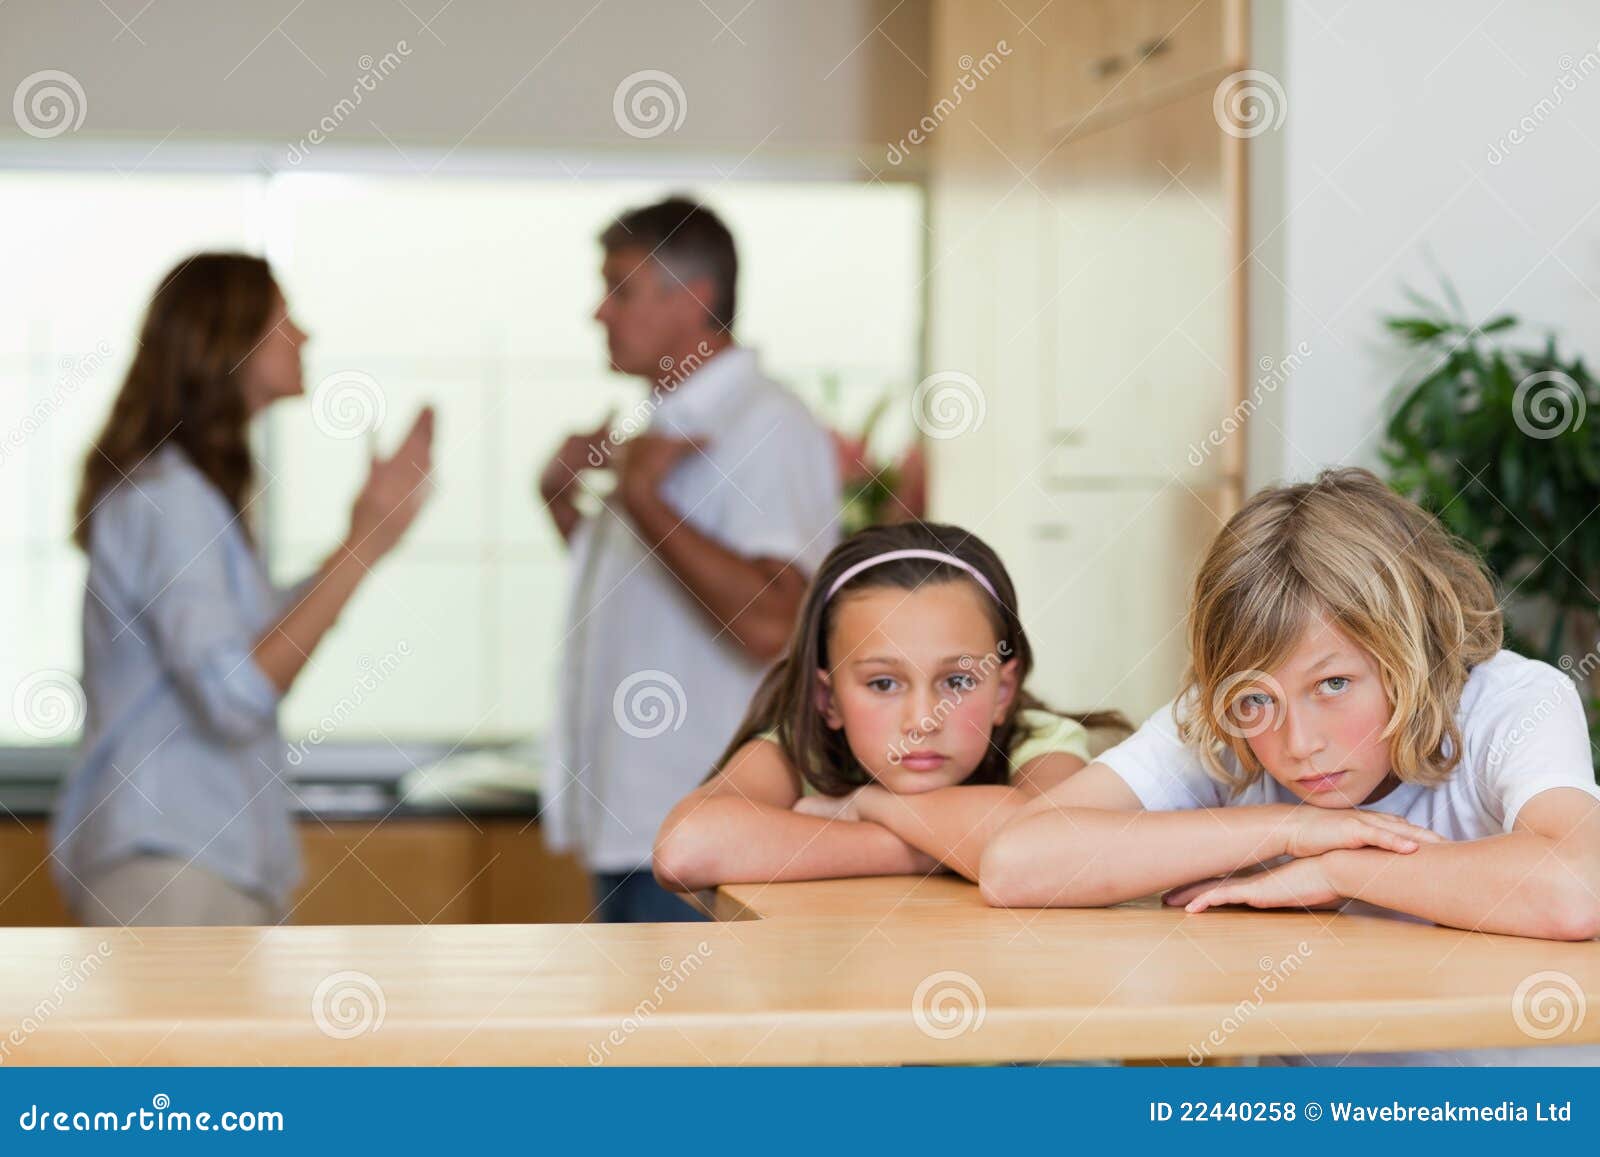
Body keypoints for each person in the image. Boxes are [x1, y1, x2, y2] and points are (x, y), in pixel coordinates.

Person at [982, 467, 1600, 1065]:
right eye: (1257, 697)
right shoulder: (1221, 719)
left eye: (1332, 683)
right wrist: (1289, 828)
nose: (1298, 742)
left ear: (1411, 652)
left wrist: (1338, 872)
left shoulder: (1512, 703)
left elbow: (1577, 890)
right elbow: (1018, 863)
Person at [53, 252, 434, 926]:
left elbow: (243, 650)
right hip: (171, 864)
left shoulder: (192, 495)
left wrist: (362, 539)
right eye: (284, 319)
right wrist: (362, 545)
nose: (304, 337)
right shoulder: (172, 499)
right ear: (229, 341)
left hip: (191, 857)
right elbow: (234, 692)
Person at [539, 196, 839, 922]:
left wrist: (644, 499)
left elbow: (775, 621)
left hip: (701, 838)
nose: (599, 314)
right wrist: (562, 504)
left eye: (621, 289)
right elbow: (645, 603)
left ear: (695, 299)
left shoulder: (768, 425)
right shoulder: (663, 426)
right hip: (630, 824)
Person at [653, 521, 1127, 890]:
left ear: (1002, 693)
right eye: (883, 683)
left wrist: (866, 803)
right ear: (828, 699)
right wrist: (941, 846)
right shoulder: (800, 749)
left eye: (958, 680)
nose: (922, 720)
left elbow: (1051, 850)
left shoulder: (1040, 739)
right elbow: (685, 851)